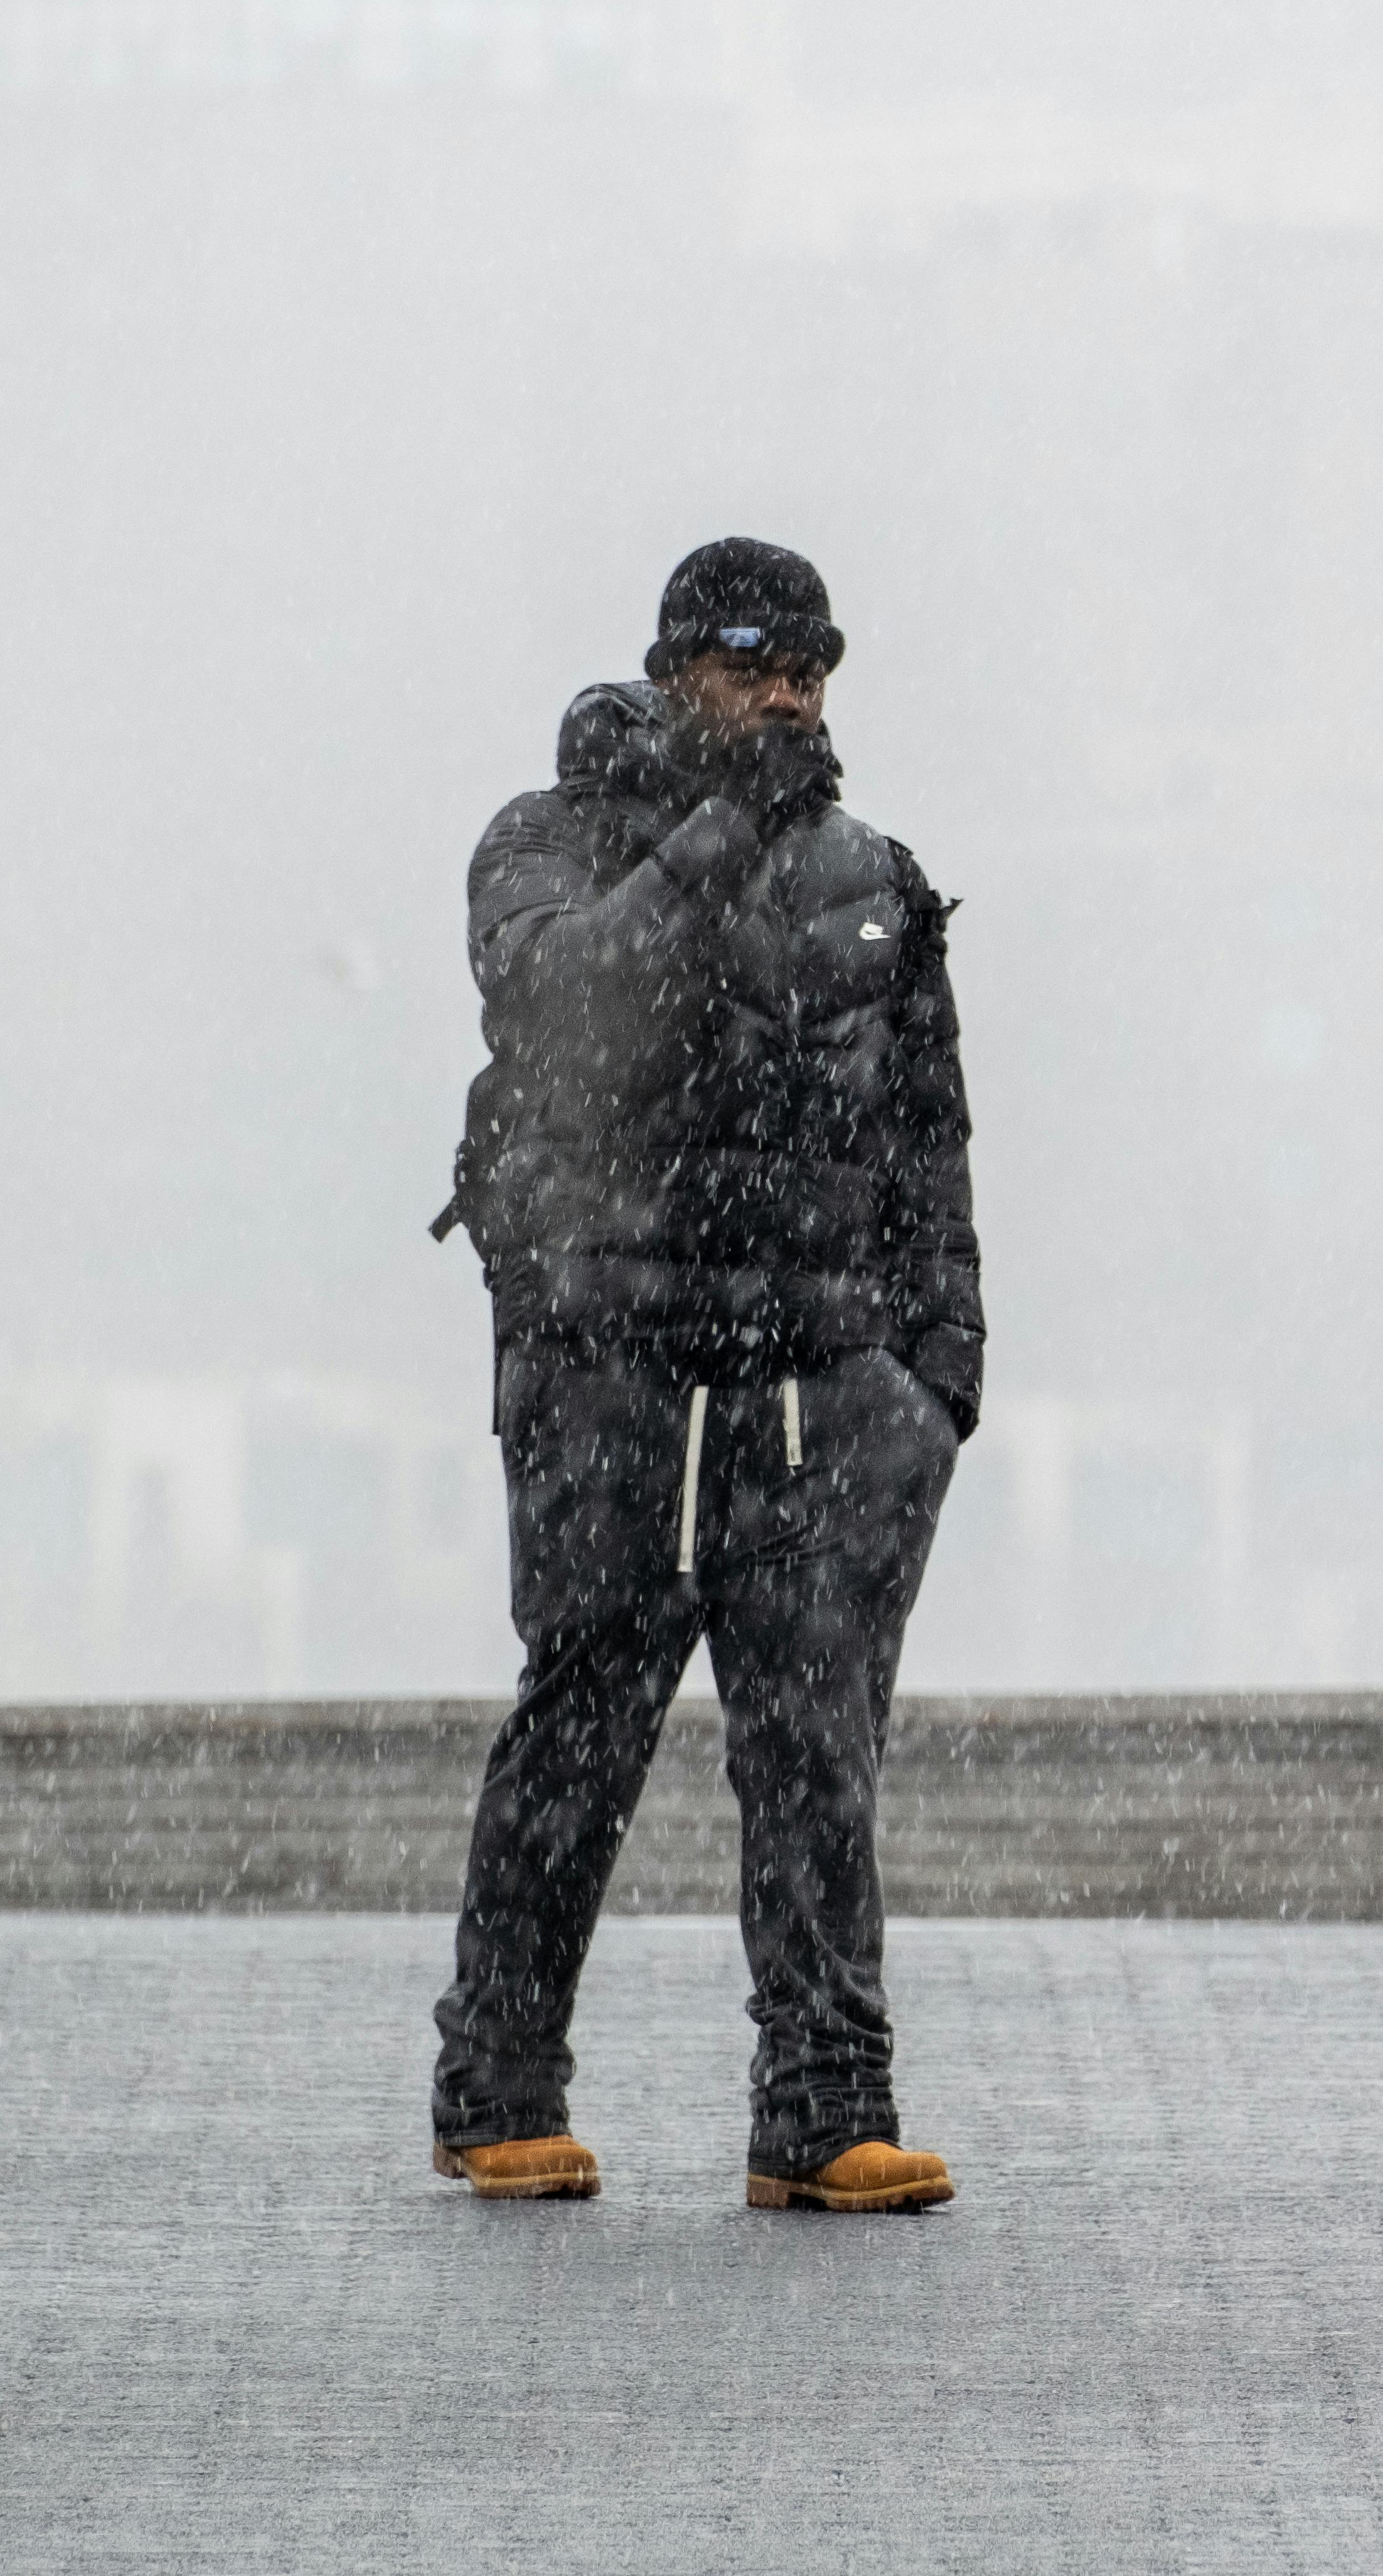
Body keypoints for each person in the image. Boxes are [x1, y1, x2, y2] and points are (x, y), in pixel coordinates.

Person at [423, 537, 984, 2214]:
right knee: (579, 1739)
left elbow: (930, 1148)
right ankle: (496, 2087)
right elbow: (564, 1000)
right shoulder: (550, 842)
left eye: (812, 665)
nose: (789, 692)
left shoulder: (876, 876)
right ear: (677, 670)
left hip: (816, 1396)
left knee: (815, 1758)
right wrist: (720, 829)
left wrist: (936, 1383)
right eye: (755, 664)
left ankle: (823, 2116)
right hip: (609, 1385)